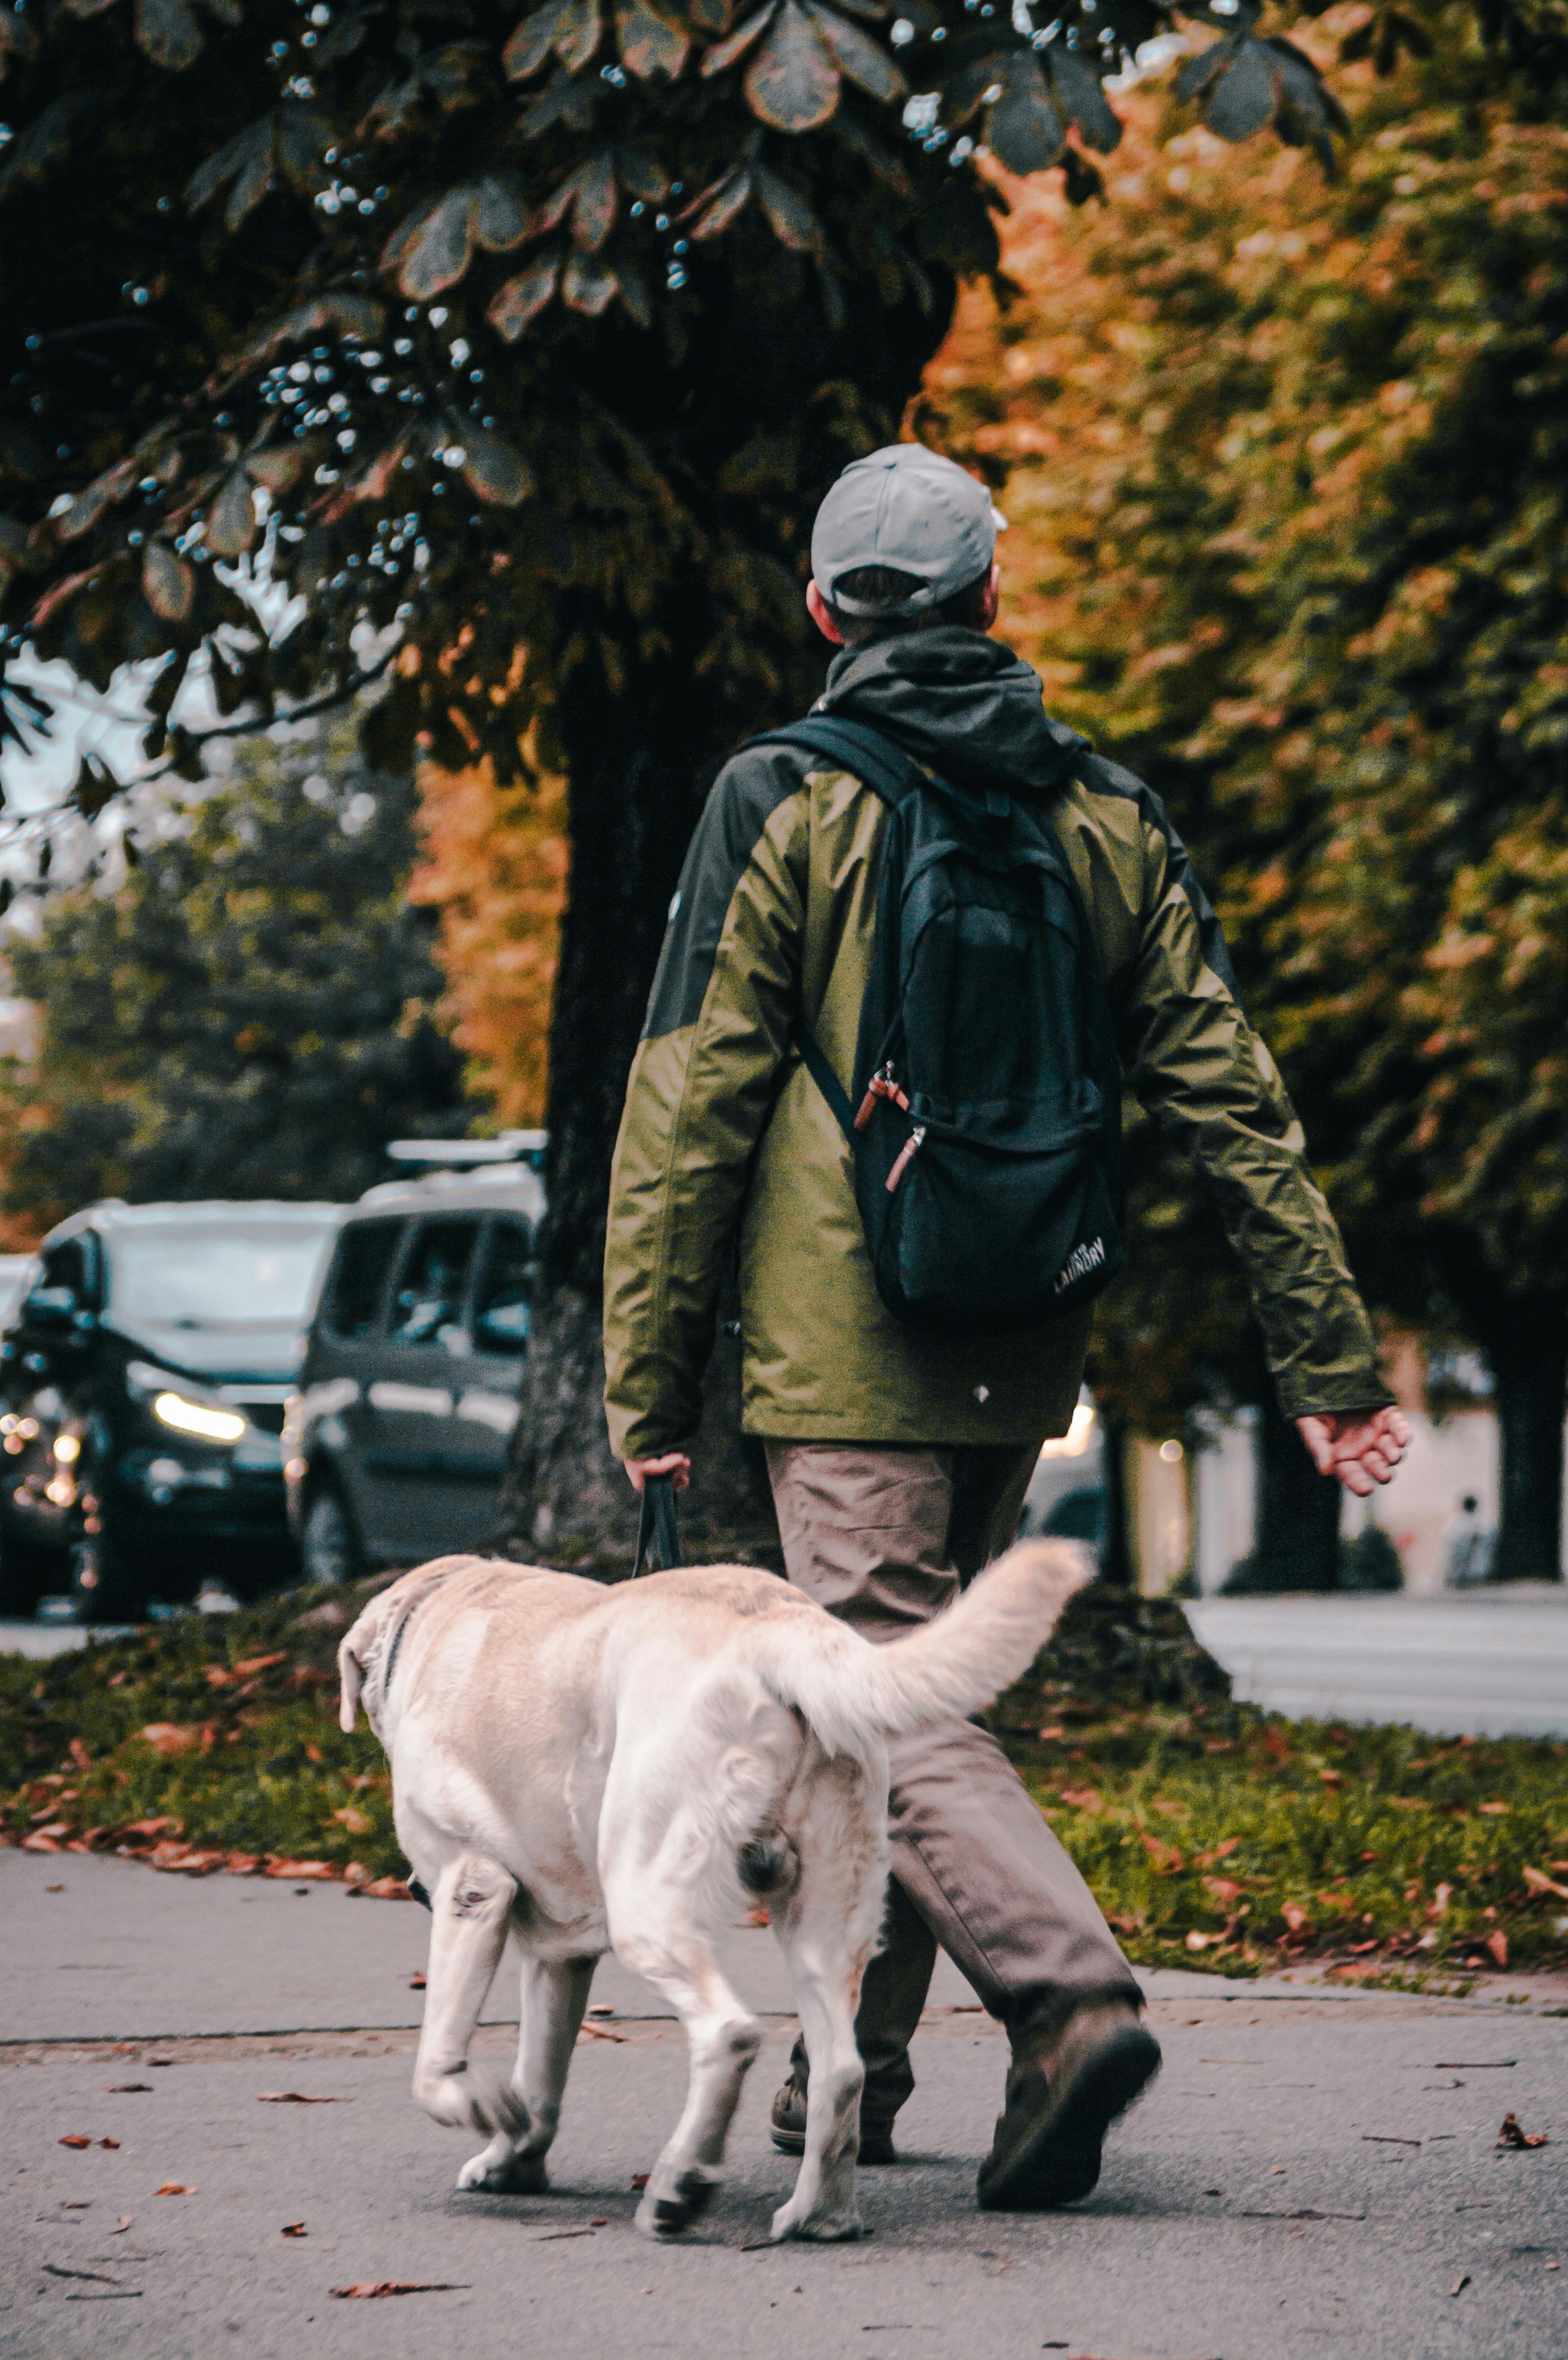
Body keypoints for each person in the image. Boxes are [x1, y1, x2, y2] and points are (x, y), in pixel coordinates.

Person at [601, 443, 1409, 2211]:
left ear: (822, 612)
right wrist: (1329, 1369)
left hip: (843, 1330)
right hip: (1020, 1324)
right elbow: (1232, 1101)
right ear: (991, 598)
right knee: (877, 1702)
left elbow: (689, 1104)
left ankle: (1066, 2003)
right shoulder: (1099, 809)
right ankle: (862, 2082)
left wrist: (648, 1374)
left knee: (873, 1692)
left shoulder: (783, 796)